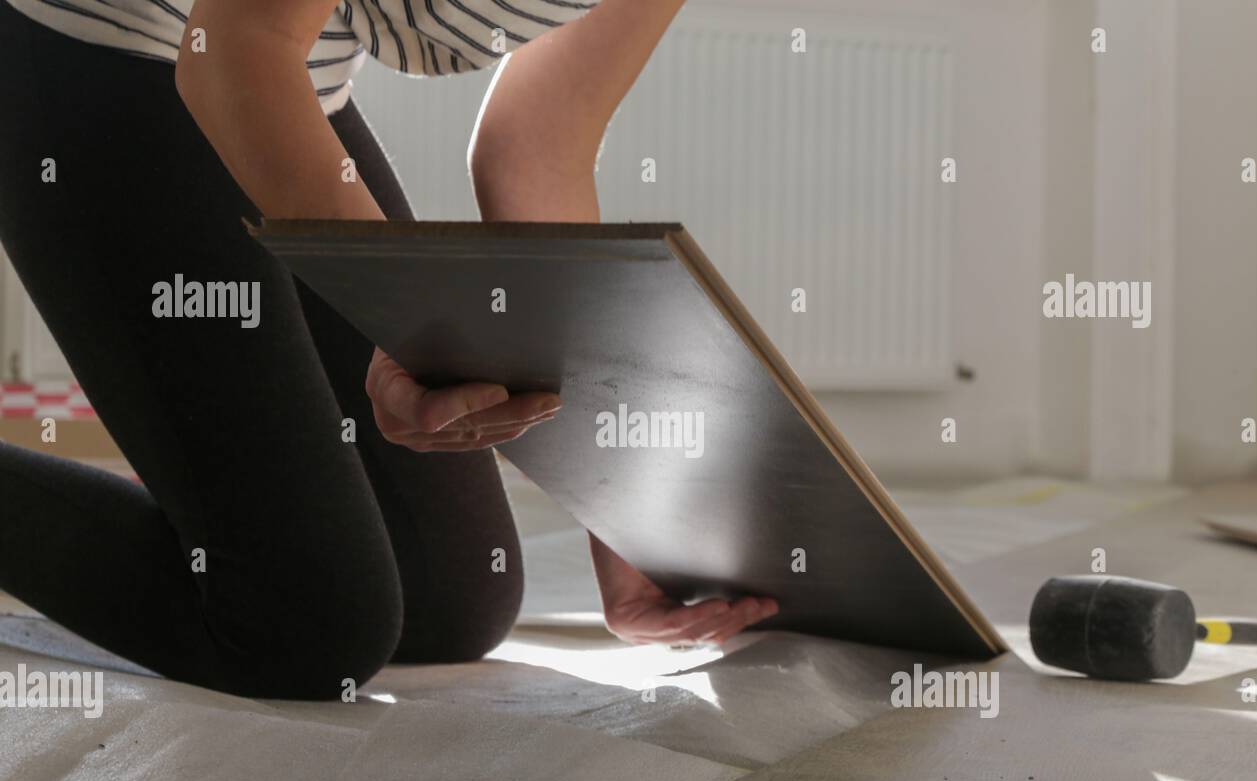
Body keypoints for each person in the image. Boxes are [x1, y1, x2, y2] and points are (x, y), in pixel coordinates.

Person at [0, 0, 778, 700]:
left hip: (290, 73)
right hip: (99, 44)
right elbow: (230, 48)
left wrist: (622, 509)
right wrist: (397, 333)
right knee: (304, 628)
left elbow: (539, 145)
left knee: (453, 603)